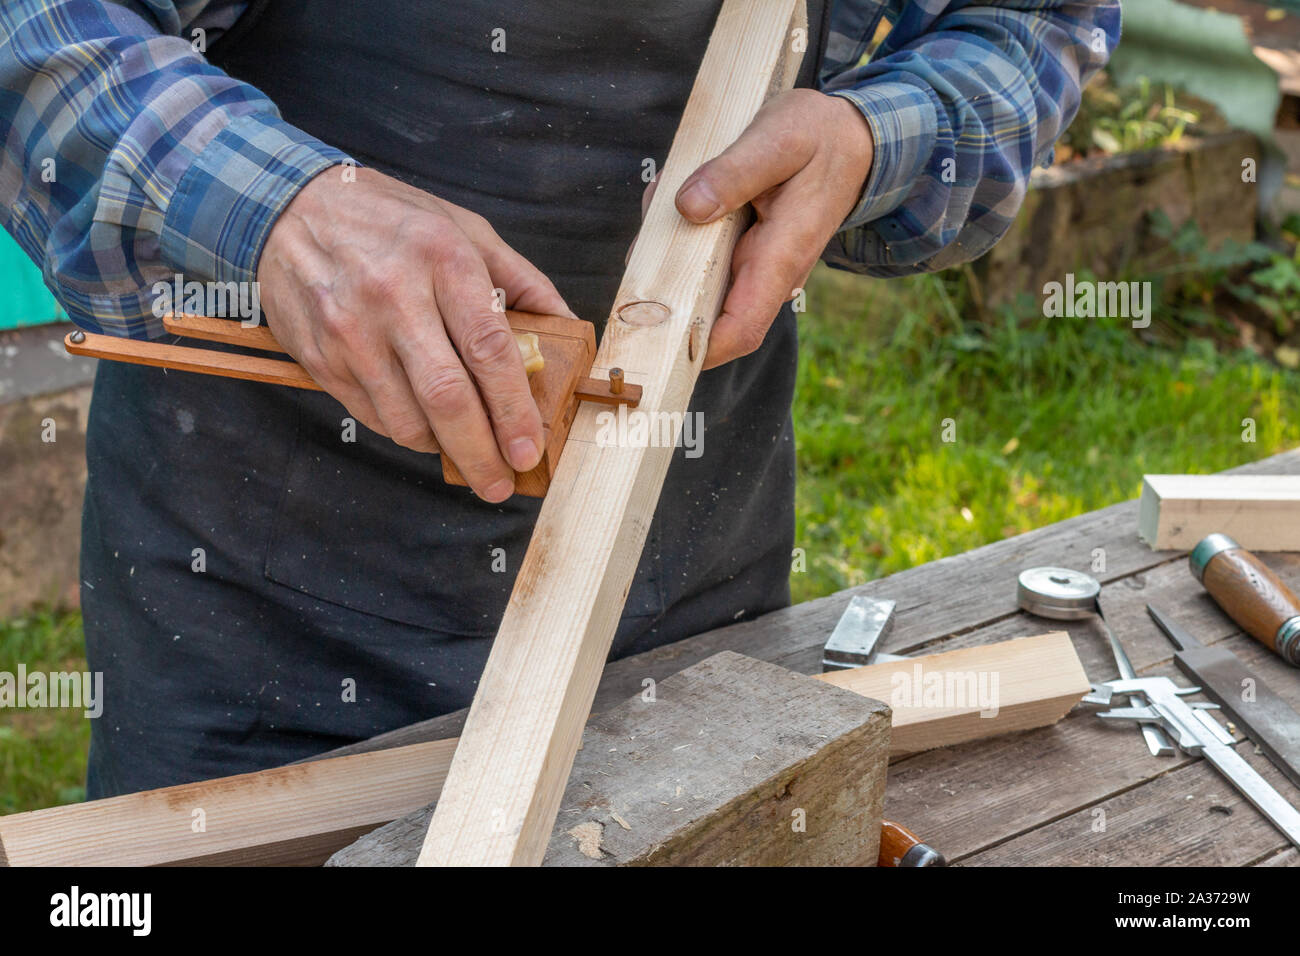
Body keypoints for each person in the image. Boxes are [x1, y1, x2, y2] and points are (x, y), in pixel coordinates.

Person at [0, 0, 1120, 797]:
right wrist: (276, 211)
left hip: (684, 582)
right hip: (254, 609)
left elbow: (1035, 22)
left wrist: (883, 134)